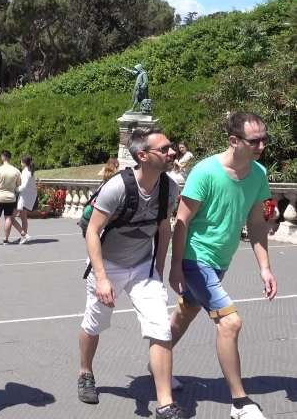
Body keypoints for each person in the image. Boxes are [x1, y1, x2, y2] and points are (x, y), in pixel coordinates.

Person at [168, 112, 276, 419]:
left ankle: (157, 360)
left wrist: (265, 268)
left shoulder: (257, 173)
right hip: (195, 259)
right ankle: (240, 402)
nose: (261, 146)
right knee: (230, 323)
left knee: (186, 311)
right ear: (234, 140)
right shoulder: (205, 172)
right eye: (255, 141)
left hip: (219, 261)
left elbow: (256, 223)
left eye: (264, 139)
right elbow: (181, 222)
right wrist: (177, 266)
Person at [76, 127, 185, 418]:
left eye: (170, 147)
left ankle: (165, 403)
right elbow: (92, 230)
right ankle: (86, 372)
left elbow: (164, 228)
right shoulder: (117, 188)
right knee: (95, 323)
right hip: (108, 265)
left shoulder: (169, 187)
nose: (171, 152)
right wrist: (101, 278)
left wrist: (158, 271)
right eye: (164, 149)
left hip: (143, 267)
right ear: (143, 155)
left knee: (160, 325)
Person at [0, 151, 27, 245]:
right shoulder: (16, 171)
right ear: (10, 158)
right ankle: (6, 239)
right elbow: (18, 186)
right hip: (11, 197)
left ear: (2, 158)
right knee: (8, 218)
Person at [14, 155, 37, 238]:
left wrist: (15, 189)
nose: (20, 164)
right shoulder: (31, 171)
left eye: (21, 162)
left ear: (24, 163)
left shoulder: (25, 172)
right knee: (24, 217)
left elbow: (23, 186)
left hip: (24, 197)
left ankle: (23, 233)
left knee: (11, 218)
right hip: (28, 197)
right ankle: (24, 236)